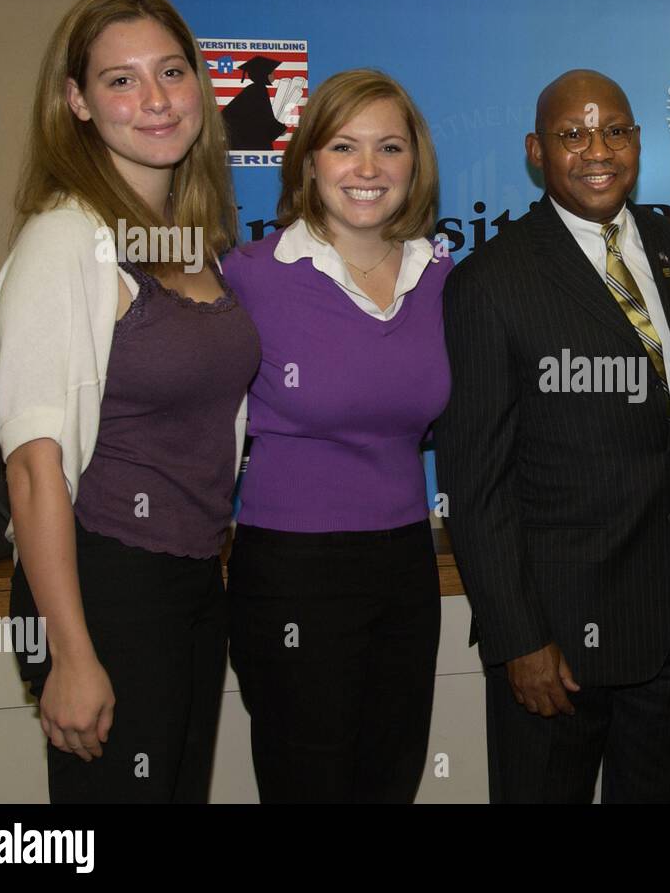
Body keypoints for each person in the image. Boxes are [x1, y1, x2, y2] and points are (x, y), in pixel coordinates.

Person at [0, 0, 258, 803]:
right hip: (102, 586)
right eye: (121, 80)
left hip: (192, 579)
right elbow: (32, 465)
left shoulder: (192, 241)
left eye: (172, 72)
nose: (156, 99)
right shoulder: (64, 238)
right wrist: (71, 653)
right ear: (76, 101)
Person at [435, 69, 670, 803]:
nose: (598, 150)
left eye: (615, 131)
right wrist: (518, 636)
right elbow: (475, 483)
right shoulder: (489, 282)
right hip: (556, 643)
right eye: (573, 134)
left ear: (638, 143)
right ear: (537, 151)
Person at [220, 69, 450, 803]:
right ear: (309, 161)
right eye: (344, 146)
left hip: (407, 564)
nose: (368, 168)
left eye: (390, 146)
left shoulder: (444, 279)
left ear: (415, 163)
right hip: (292, 571)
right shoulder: (248, 277)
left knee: (391, 776)